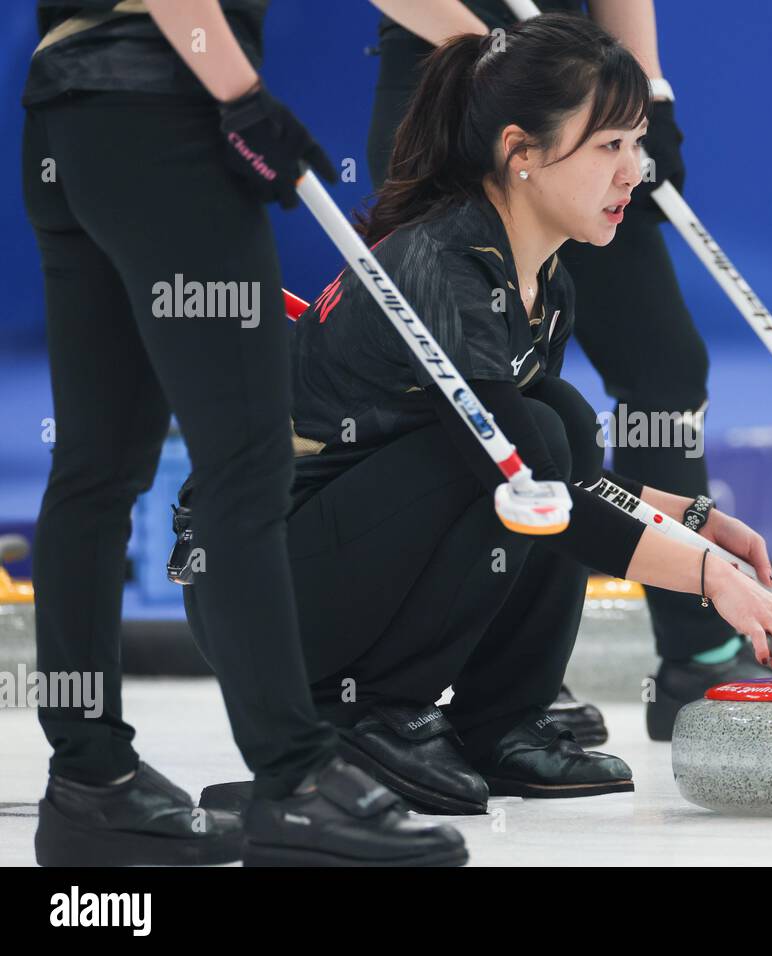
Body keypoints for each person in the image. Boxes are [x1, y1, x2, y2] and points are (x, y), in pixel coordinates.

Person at [195, 13, 772, 816]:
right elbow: (528, 480)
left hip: (337, 550)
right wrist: (710, 578)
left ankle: (501, 722)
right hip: (269, 590)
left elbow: (564, 480)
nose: (638, 170)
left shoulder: (545, 280)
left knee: (556, 421)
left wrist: (694, 517)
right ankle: (361, 714)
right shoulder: (442, 269)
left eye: (638, 143)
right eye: (609, 147)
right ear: (521, 152)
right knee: (530, 445)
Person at [22, 0, 464, 866]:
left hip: (66, 119)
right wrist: (239, 96)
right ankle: (295, 781)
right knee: (250, 462)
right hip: (168, 108)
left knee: (96, 469)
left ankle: (90, 782)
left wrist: (478, 39)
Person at [365, 0, 769, 743]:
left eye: (635, 146)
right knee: (492, 422)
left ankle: (694, 655)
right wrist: (503, 61)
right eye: (626, 146)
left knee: (649, 375)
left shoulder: (589, 200)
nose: (634, 162)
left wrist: (644, 98)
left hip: (577, 94)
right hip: (469, 82)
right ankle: (474, 681)